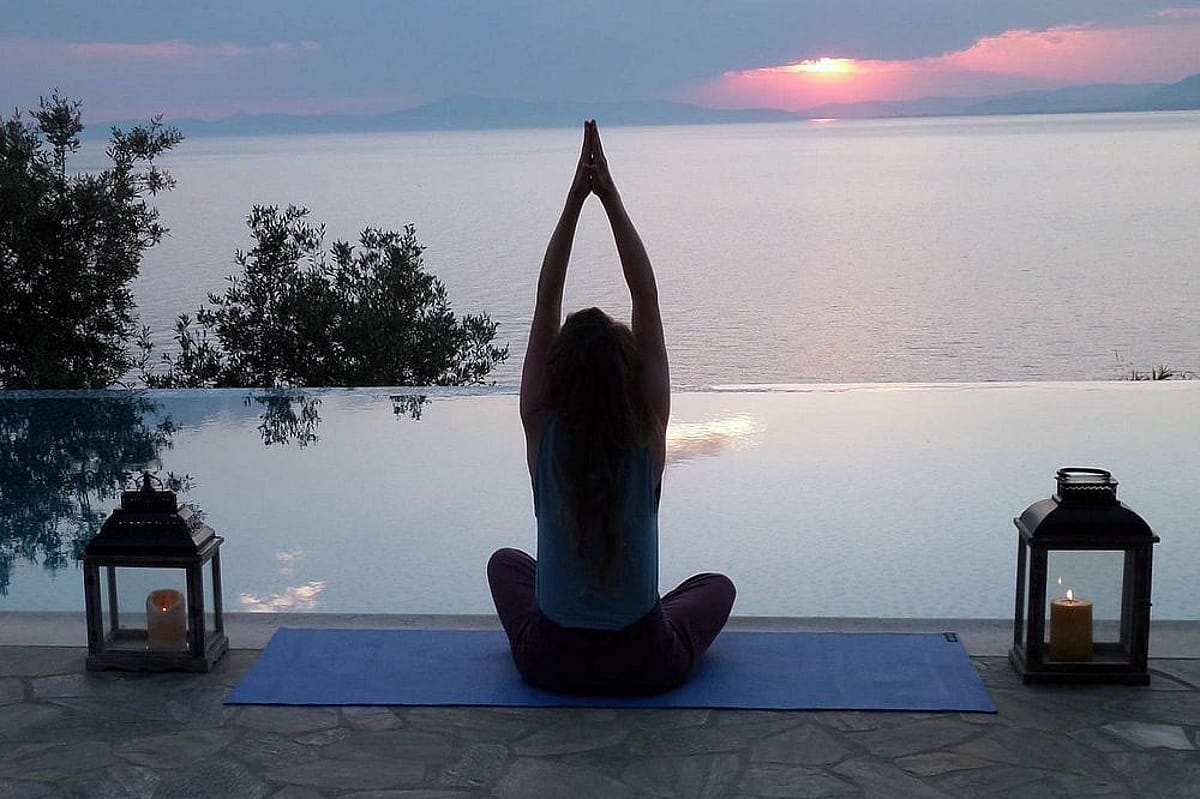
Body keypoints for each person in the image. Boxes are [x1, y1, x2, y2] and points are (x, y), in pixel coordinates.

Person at [487, 120, 736, 695]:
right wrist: (611, 199)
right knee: (714, 586)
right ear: (626, 372)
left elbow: (545, 300)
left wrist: (576, 201)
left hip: (551, 663)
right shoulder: (647, 435)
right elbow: (645, 296)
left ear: (559, 373)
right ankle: (655, 612)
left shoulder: (542, 429)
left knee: (506, 564)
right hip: (645, 664)